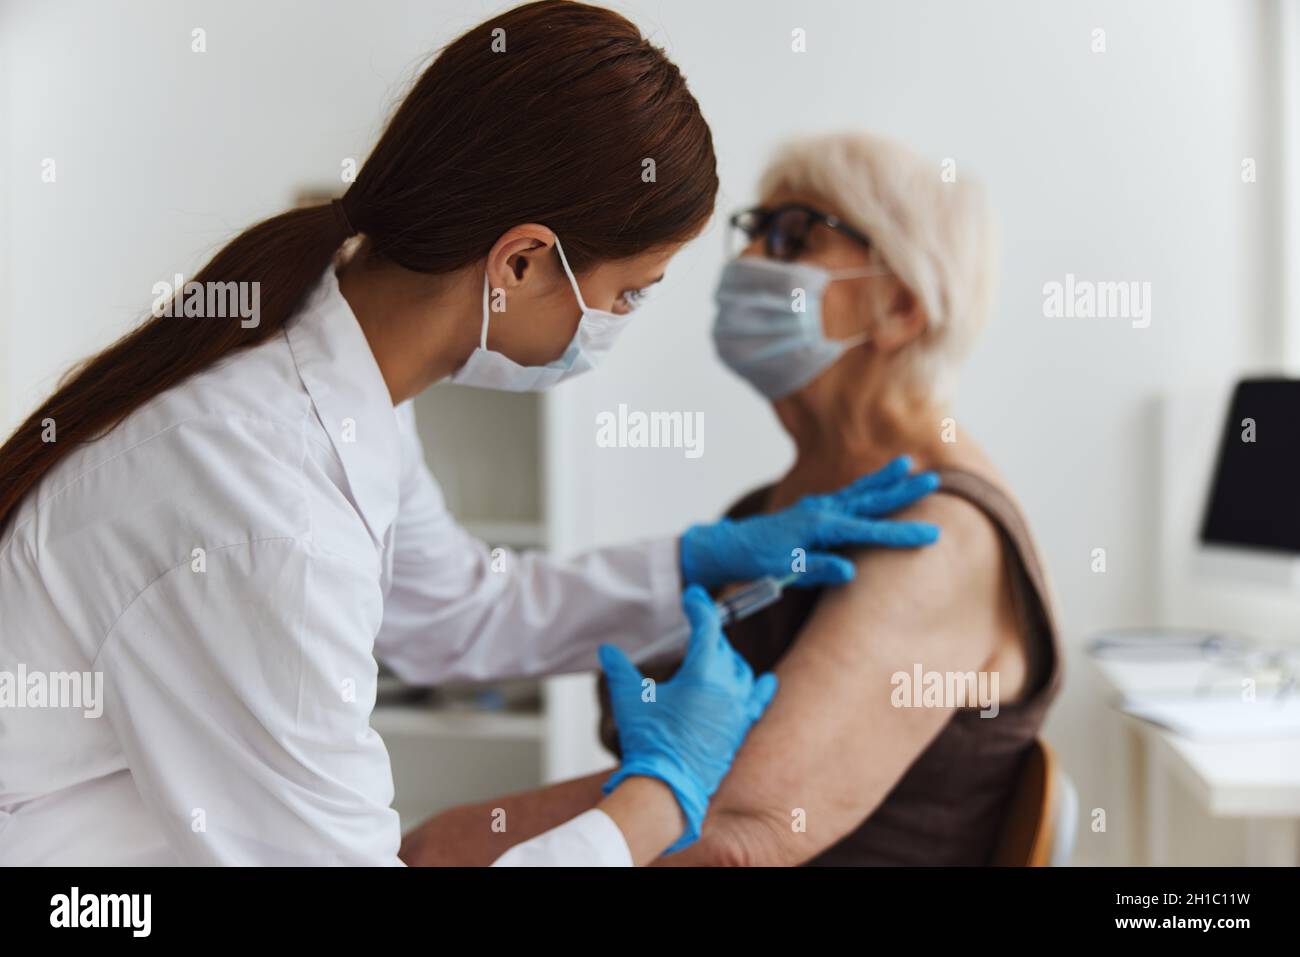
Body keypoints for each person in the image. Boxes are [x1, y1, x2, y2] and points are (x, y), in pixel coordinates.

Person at [0, 5, 939, 866]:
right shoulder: (263, 510)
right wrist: (660, 795)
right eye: (629, 292)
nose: (620, 319)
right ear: (522, 262)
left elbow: (456, 614)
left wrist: (694, 562)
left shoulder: (335, 381)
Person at [399, 132, 1061, 867]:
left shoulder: (940, 533)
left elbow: (736, 835)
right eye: (753, 232)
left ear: (901, 305)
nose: (747, 262)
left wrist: (453, 846)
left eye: (793, 236)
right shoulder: (773, 510)